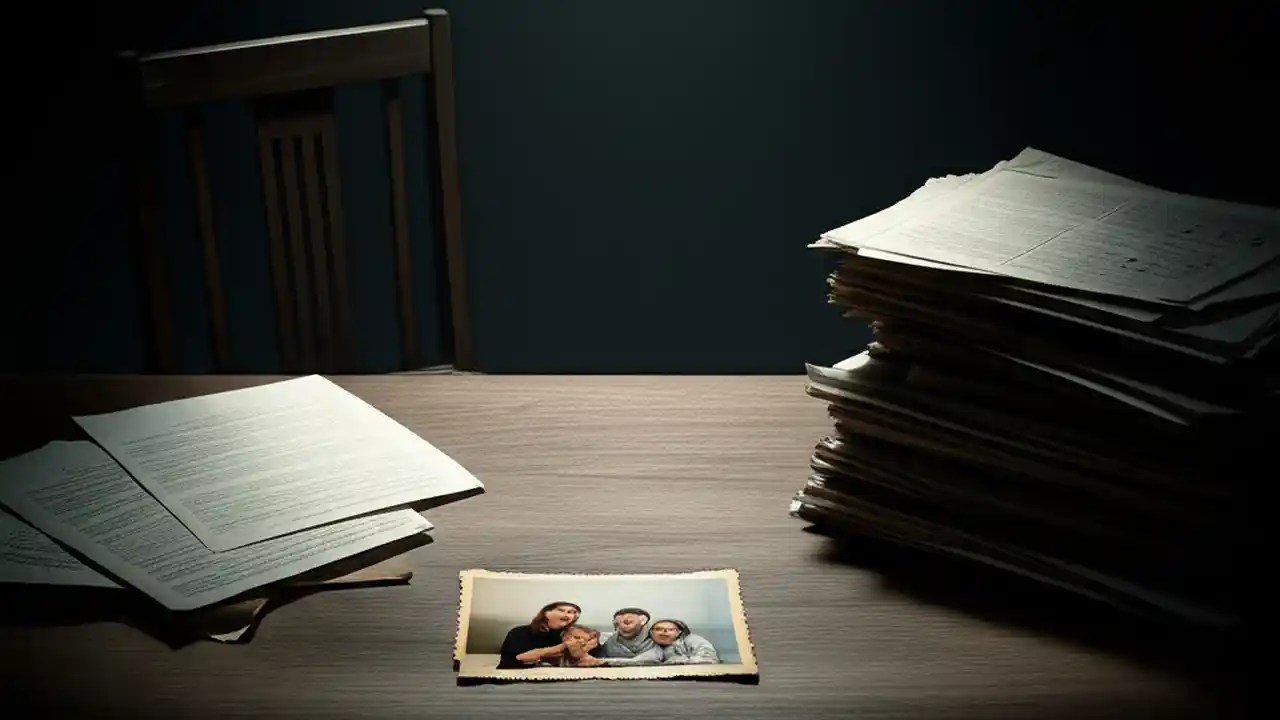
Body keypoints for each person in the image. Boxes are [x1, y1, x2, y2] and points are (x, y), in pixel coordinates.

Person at [497, 601, 586, 669]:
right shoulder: (519, 632)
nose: (567, 614)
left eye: (572, 612)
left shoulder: (573, 634)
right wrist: (562, 647)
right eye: (561, 610)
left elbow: (596, 656)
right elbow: (508, 662)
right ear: (546, 613)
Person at [593, 607, 663, 665]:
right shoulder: (611, 643)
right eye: (617, 624)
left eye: (627, 622)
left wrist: (602, 661)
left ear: (643, 621)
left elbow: (651, 659)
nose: (622, 626)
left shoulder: (655, 641)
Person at [649, 619, 719, 664]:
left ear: (679, 632)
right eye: (658, 629)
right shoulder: (647, 646)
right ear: (651, 632)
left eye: (670, 629)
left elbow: (709, 658)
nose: (664, 632)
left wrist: (678, 661)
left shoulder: (692, 640)